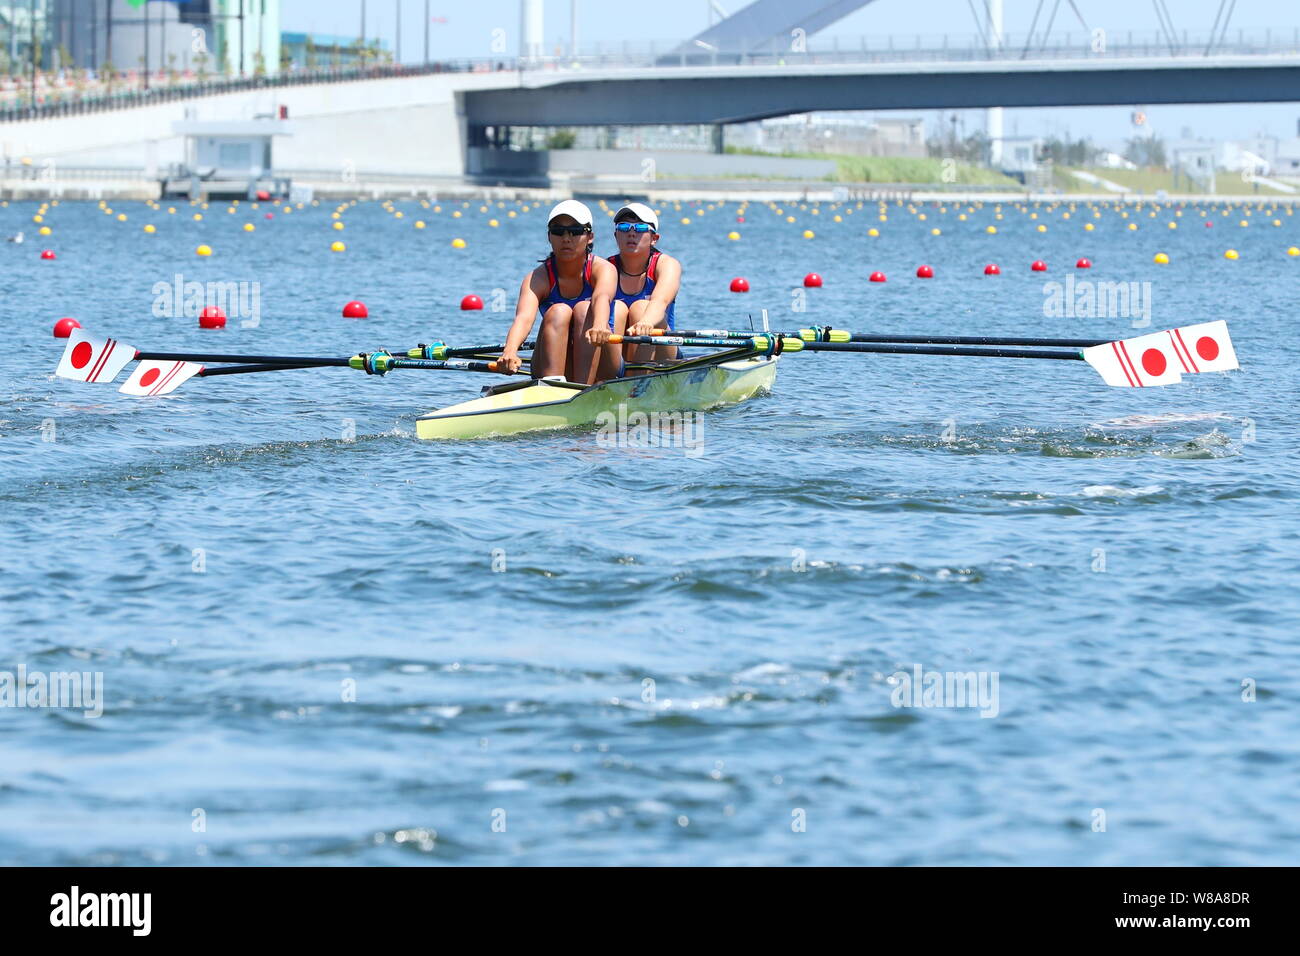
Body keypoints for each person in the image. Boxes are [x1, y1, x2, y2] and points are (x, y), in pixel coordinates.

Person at [498, 200, 620, 383]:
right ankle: (553, 390)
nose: (566, 238)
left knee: (584, 309)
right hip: (551, 360)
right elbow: (523, 319)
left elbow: (602, 297)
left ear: (590, 237)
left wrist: (600, 324)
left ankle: (582, 390)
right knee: (558, 311)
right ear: (549, 236)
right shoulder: (538, 278)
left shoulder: (603, 269)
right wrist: (510, 351)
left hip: (602, 358)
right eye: (558, 231)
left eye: (576, 231)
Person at [607, 203, 681, 367]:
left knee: (641, 308)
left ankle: (636, 383)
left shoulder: (667, 265)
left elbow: (660, 301)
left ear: (654, 239)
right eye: (624, 227)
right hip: (617, 353)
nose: (631, 233)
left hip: (663, 353)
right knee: (617, 308)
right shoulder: (605, 268)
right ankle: (611, 377)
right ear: (616, 235)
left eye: (640, 227)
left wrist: (646, 322)